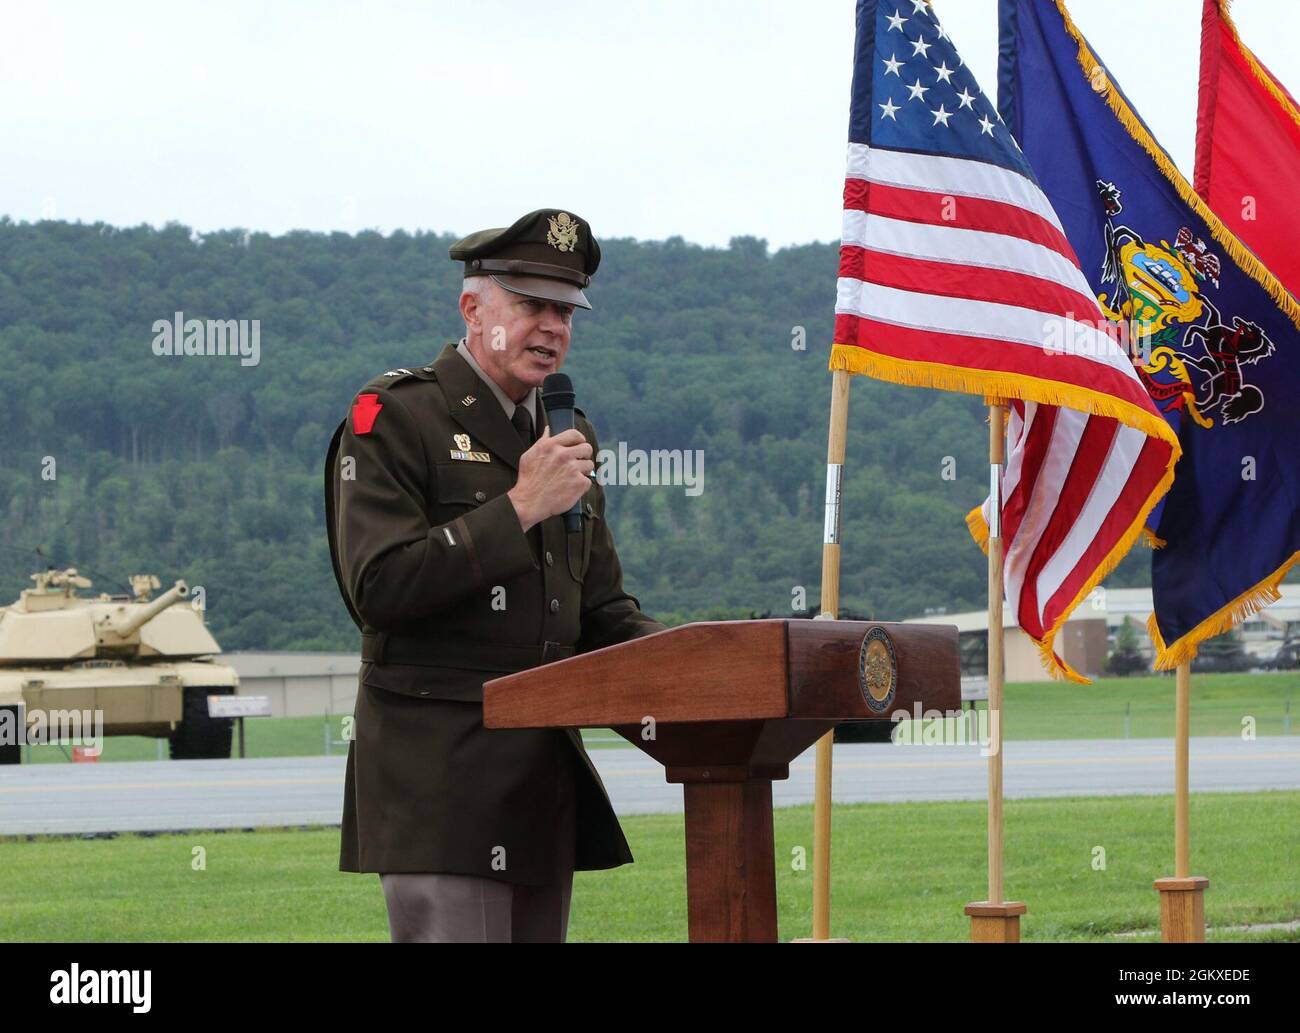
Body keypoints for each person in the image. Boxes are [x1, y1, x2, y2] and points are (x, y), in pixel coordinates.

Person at [324, 208, 665, 943]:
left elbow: (602, 612)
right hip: (440, 788)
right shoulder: (390, 416)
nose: (552, 327)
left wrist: (706, 669)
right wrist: (517, 508)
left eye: (565, 310)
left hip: (541, 789)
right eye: (532, 305)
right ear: (473, 309)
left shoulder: (565, 434)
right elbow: (379, 588)